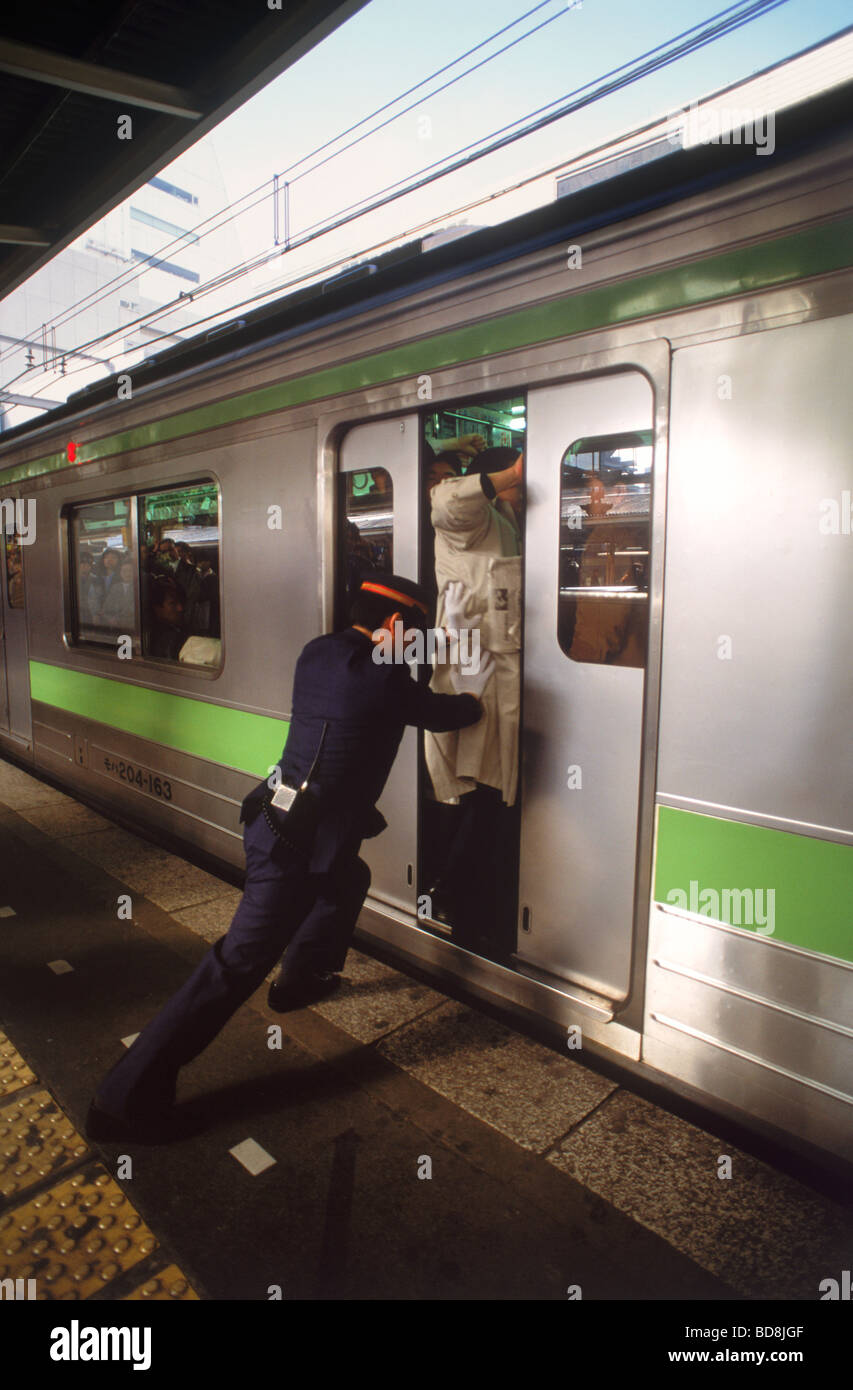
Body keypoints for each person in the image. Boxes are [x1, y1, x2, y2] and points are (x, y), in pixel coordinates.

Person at [87, 573, 485, 1143]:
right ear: (396, 628)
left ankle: (298, 981)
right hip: (295, 846)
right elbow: (450, 712)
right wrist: (475, 697)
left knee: (348, 880)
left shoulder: (320, 653)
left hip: (279, 821)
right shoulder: (384, 679)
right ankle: (122, 1099)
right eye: (416, 637)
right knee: (236, 962)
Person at [424, 447, 524, 956]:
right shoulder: (466, 517)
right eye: (517, 484)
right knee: (475, 797)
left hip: (493, 672)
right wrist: (507, 474)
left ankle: (473, 910)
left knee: (490, 798)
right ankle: (454, 906)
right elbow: (447, 503)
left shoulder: (504, 520)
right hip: (469, 670)